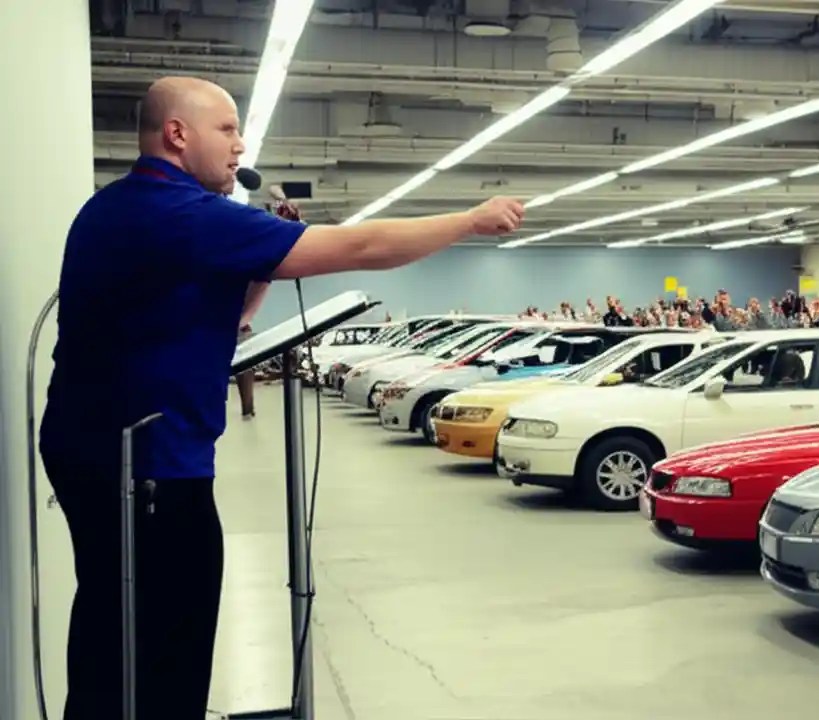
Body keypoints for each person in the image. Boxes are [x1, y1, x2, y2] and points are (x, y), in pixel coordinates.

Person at [38, 76, 525, 720]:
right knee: (168, 649)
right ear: (177, 135)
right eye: (228, 129)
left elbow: (208, 316)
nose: (240, 146)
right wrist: (470, 219)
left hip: (96, 454)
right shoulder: (182, 213)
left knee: (109, 629)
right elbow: (358, 246)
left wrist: (257, 269)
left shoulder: (114, 207)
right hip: (149, 469)